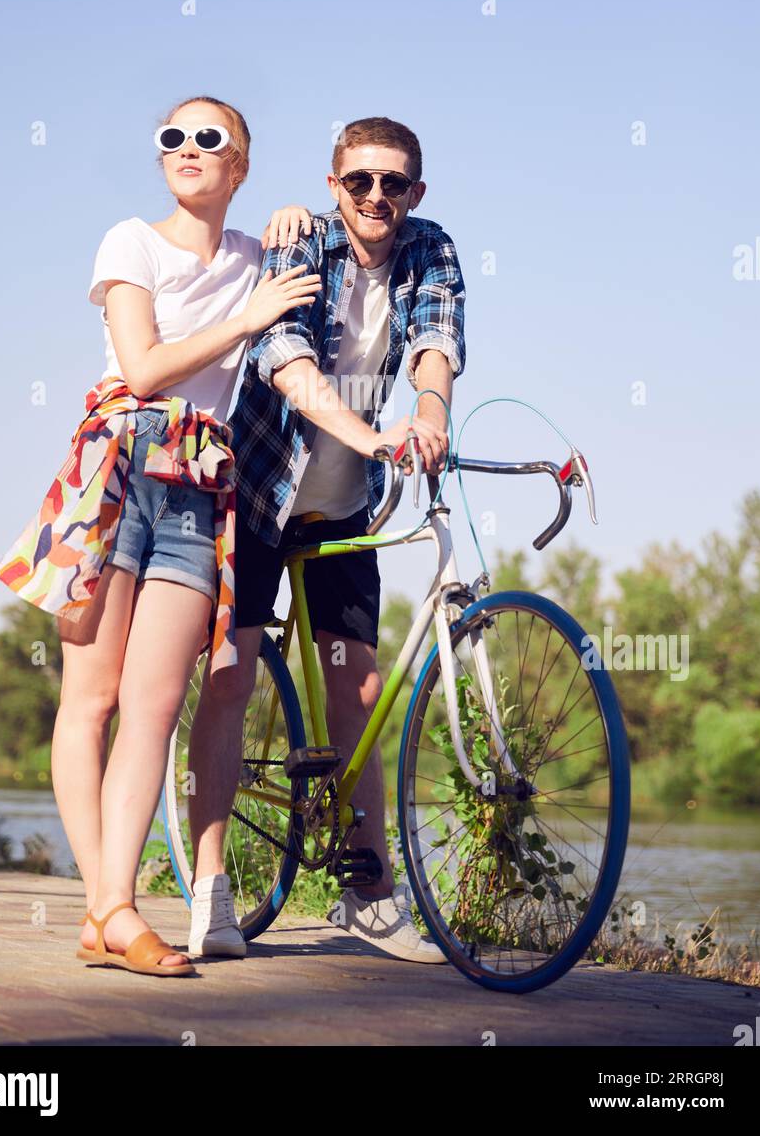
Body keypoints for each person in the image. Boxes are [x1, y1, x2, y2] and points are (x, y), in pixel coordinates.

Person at [0, 94, 317, 976]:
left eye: (209, 139)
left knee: (156, 708)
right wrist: (246, 320)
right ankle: (114, 906)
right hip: (119, 464)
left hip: (198, 479)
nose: (185, 148)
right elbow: (139, 365)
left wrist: (295, 216)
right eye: (171, 136)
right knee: (90, 700)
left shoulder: (257, 256)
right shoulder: (128, 240)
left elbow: (322, 239)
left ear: (239, 165)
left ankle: (111, 913)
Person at [187, 116, 466, 962]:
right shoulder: (299, 241)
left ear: (415, 192)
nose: (377, 197)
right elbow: (287, 361)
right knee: (231, 672)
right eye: (359, 182)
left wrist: (427, 414)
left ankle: (369, 896)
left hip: (343, 501)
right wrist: (370, 433)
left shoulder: (431, 248)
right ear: (333, 185)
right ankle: (210, 891)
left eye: (395, 184)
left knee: (359, 688)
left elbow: (435, 338)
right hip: (262, 486)